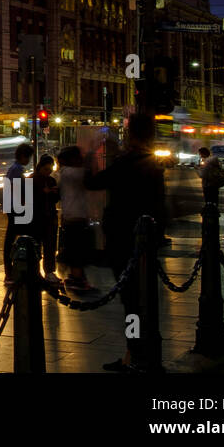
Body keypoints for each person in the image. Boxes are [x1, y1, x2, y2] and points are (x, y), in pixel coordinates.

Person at [86, 112, 166, 371]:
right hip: (145, 239)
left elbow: (94, 182)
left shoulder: (126, 162)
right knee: (145, 299)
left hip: (122, 239)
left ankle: (134, 354)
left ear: (130, 135)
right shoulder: (153, 164)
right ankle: (143, 353)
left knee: (131, 302)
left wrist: (91, 155)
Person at [56, 146, 94, 291]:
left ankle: (75, 275)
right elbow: (89, 178)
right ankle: (77, 278)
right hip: (76, 216)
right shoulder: (72, 172)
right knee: (77, 248)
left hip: (69, 215)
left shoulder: (64, 172)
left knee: (73, 246)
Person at [3, 143, 35, 282]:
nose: (28, 160)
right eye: (28, 157)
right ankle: (10, 271)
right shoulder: (16, 170)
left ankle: (12, 270)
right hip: (16, 208)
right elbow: (20, 189)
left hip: (12, 207)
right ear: (23, 156)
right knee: (14, 239)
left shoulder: (14, 169)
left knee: (12, 238)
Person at [32, 155, 61, 284]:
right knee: (37, 246)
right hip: (37, 217)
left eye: (50, 169)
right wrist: (44, 193)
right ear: (40, 167)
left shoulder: (51, 180)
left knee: (50, 246)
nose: (48, 172)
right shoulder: (33, 180)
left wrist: (54, 193)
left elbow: (55, 199)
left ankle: (49, 271)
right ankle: (36, 271)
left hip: (49, 216)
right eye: (46, 169)